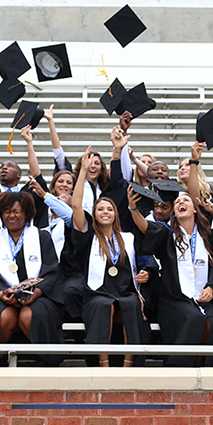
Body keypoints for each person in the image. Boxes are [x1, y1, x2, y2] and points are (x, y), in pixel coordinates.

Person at [126, 179, 213, 366]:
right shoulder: (167, 234)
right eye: (178, 202)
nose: (181, 202)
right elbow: (145, 226)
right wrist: (133, 209)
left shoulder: (206, 237)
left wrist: (212, 288)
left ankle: (203, 368)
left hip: (204, 296)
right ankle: (177, 366)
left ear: (195, 209)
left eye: (186, 200)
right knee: (193, 317)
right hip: (175, 299)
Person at [70, 147, 149, 367]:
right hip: (98, 292)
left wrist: (146, 274)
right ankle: (103, 363)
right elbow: (76, 205)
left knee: (131, 304)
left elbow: (143, 262)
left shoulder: (128, 238)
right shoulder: (88, 236)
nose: (105, 212)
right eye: (100, 209)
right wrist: (83, 171)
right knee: (104, 305)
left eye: (109, 209)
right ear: (94, 215)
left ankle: (128, 364)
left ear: (115, 214)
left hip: (124, 291)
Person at [0, 190, 64, 364]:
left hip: (39, 296)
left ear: (26, 213)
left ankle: (46, 361)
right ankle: (1, 361)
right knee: (1, 317)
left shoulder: (41, 237)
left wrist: (36, 293)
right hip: (6, 296)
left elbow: (50, 270)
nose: (11, 216)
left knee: (29, 316)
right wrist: (1, 293)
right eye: (7, 211)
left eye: (16, 211)